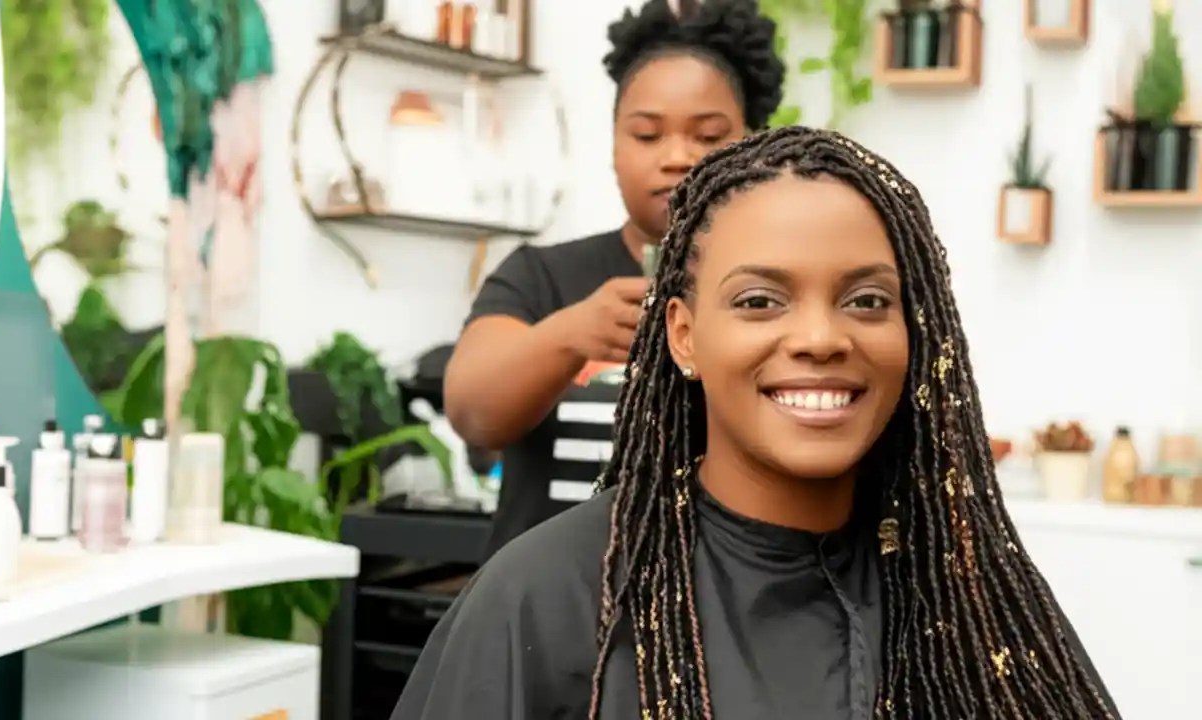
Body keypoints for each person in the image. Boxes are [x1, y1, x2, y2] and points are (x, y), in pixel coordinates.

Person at [392, 126, 1121, 719]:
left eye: (867, 300)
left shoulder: (970, 598)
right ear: (682, 335)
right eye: (759, 301)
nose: (821, 338)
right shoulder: (546, 600)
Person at [444, 0, 784, 555]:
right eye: (647, 135)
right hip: (550, 618)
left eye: (707, 136)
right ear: (613, 147)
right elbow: (473, 415)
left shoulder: (782, 288)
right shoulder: (543, 277)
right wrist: (570, 335)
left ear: (752, 144)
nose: (677, 157)